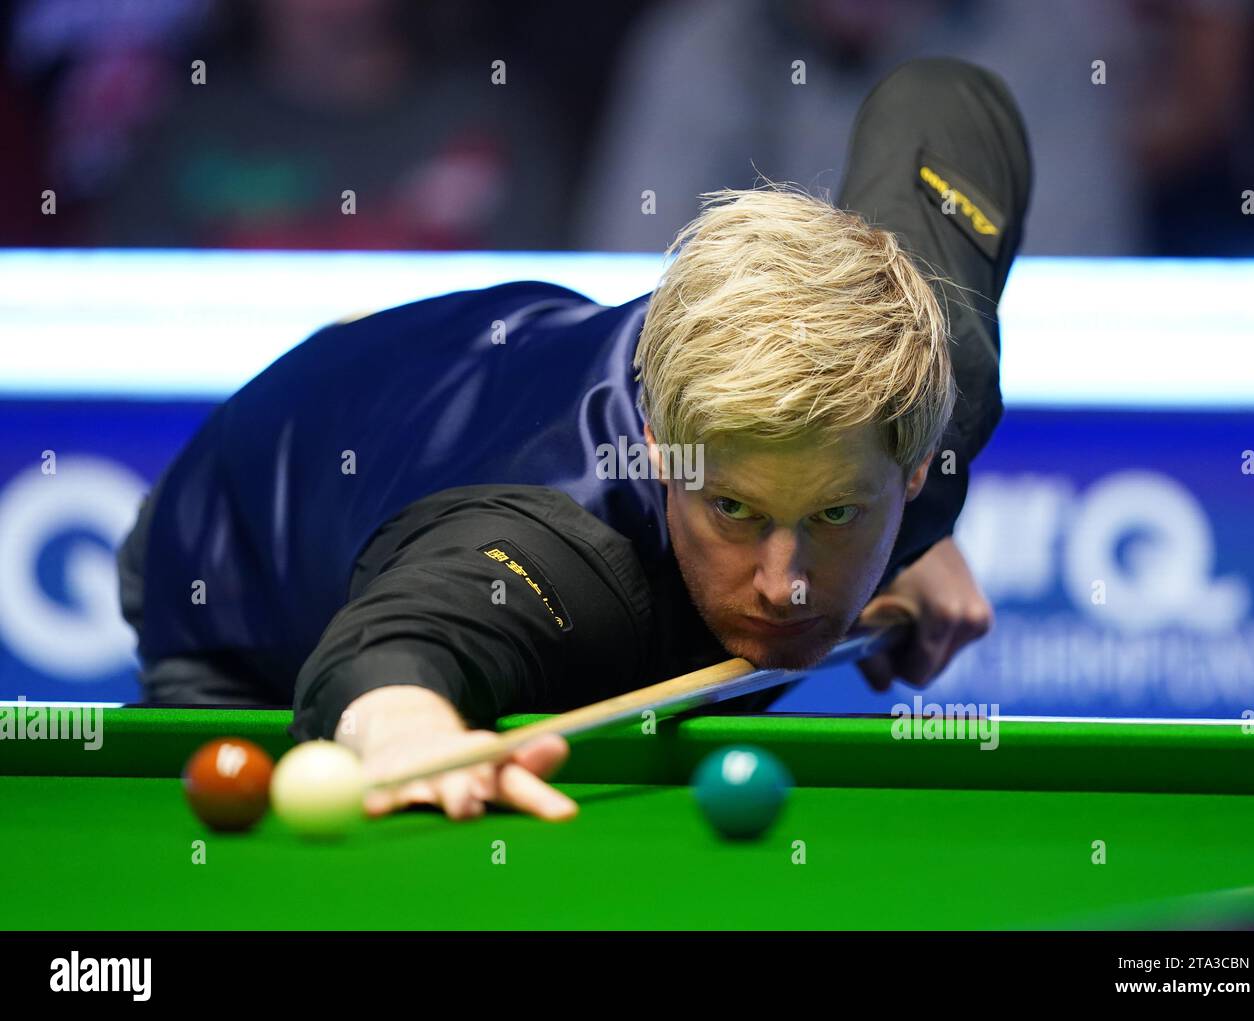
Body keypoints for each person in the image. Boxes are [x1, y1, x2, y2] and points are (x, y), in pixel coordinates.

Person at [117, 58, 1031, 822]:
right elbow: (400, 644)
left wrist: (917, 537)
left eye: (834, 511)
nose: (785, 581)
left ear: (914, 469)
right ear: (657, 443)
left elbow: (945, 98)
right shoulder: (561, 550)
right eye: (733, 509)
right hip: (247, 551)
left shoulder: (936, 366)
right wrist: (407, 731)